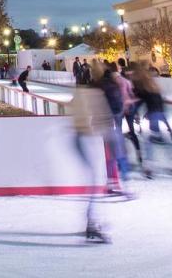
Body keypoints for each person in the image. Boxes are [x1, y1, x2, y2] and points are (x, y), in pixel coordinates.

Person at [67, 79, 113, 244]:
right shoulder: (95, 95)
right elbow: (96, 119)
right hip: (86, 138)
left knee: (94, 181)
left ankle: (92, 220)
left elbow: (72, 109)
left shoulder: (79, 94)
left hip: (78, 138)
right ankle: (92, 223)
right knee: (95, 182)